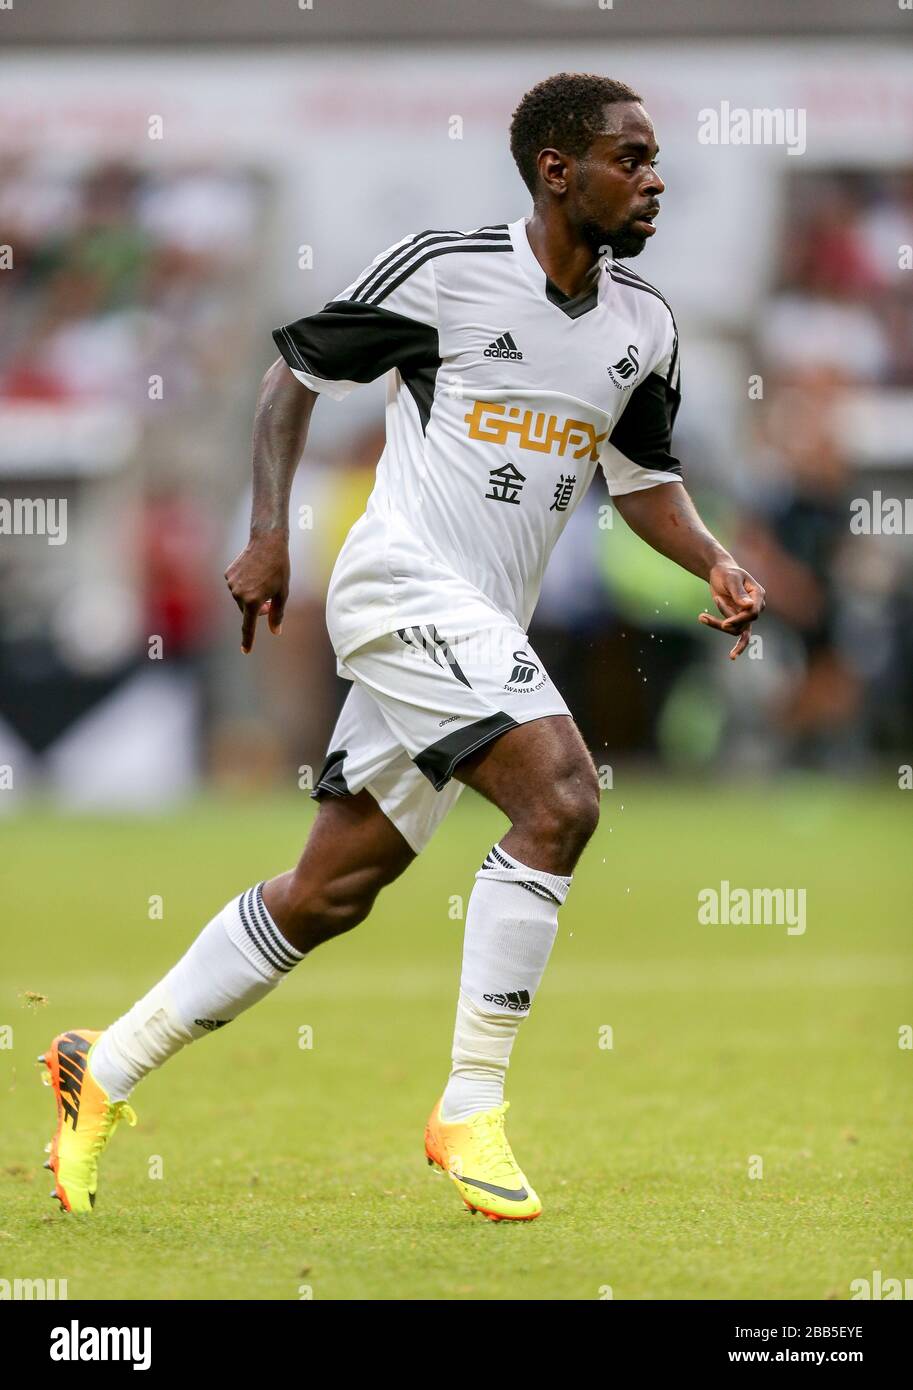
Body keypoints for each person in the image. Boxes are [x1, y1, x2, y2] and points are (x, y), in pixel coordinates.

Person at [39, 72, 765, 1223]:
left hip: (478, 625)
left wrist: (714, 560)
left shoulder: (644, 328)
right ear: (555, 170)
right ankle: (470, 1104)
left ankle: (103, 1064)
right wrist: (270, 535)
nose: (654, 176)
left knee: (332, 890)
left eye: (654, 156)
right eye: (630, 157)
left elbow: (644, 483)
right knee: (564, 799)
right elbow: (292, 380)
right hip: (397, 585)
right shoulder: (445, 269)